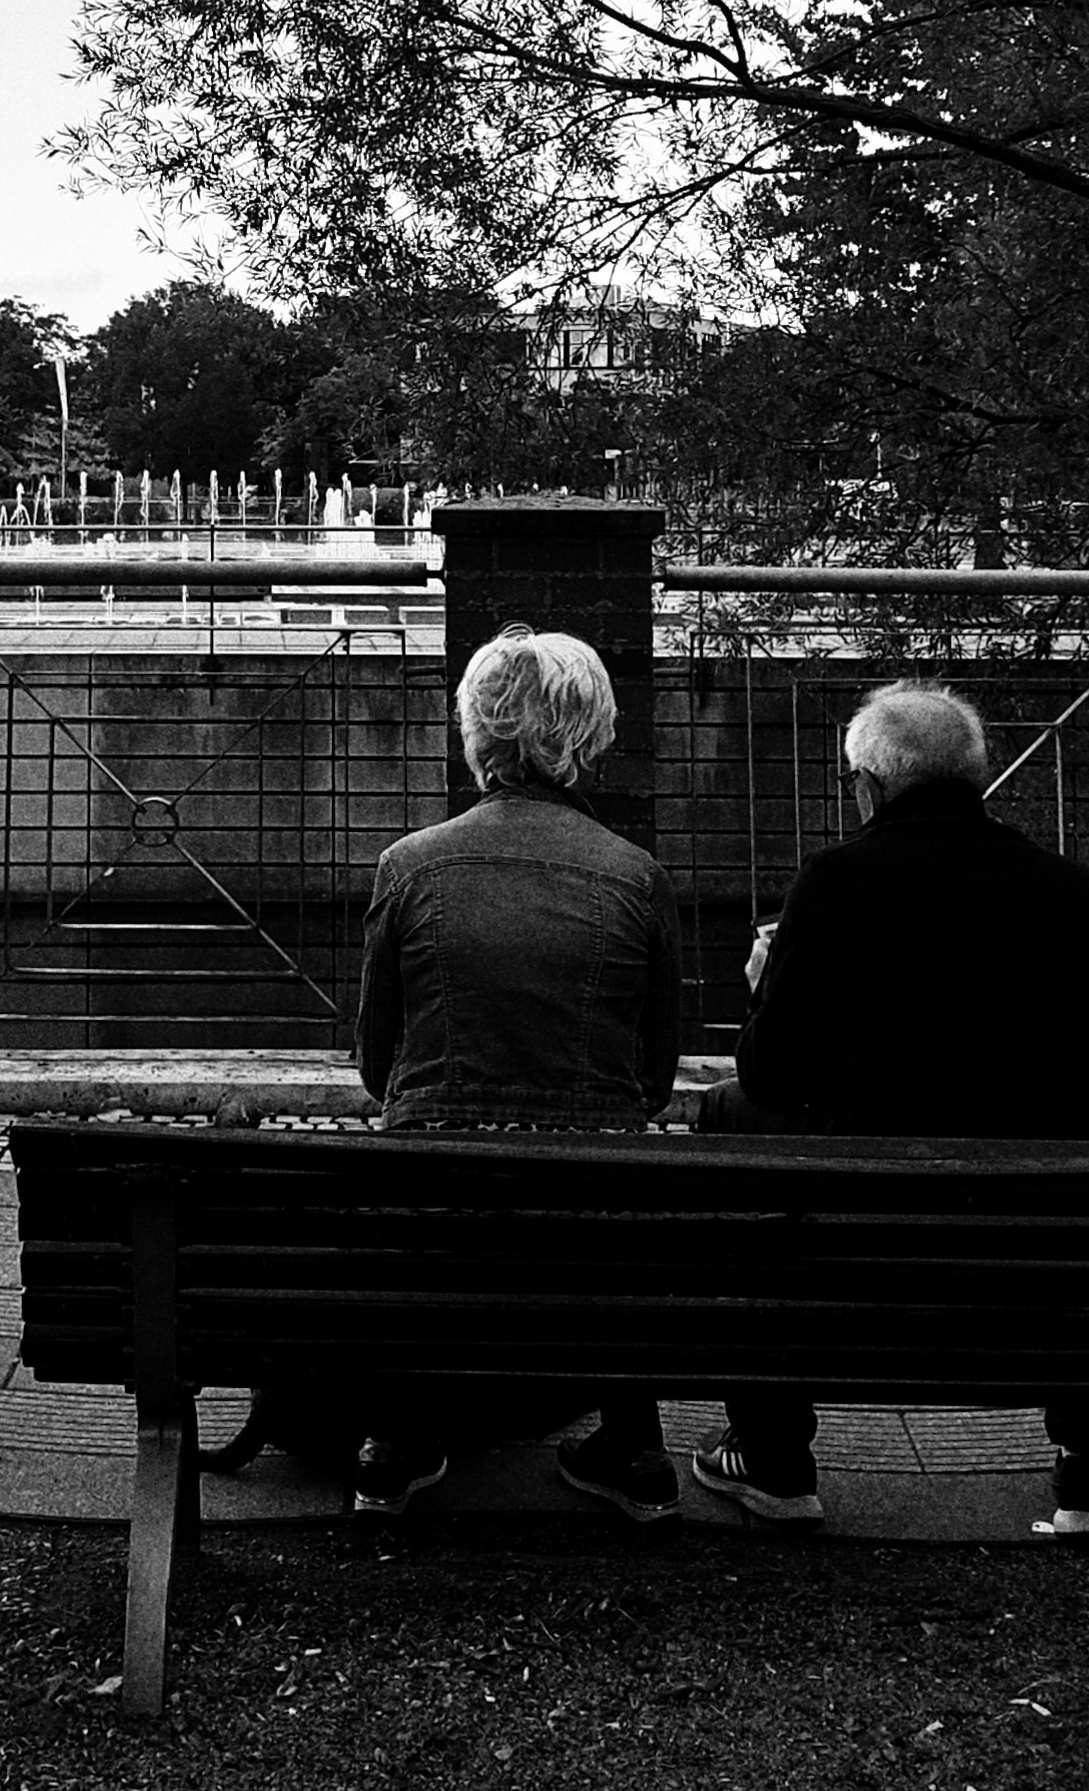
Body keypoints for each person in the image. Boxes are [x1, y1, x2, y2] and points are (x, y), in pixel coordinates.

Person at [691, 679, 1089, 1534]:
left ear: (870, 784)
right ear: (974, 779)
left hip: (864, 1238)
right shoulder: (1070, 891)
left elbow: (768, 1074)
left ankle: (771, 1452)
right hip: (1034, 1247)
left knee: (727, 1114)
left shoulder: (833, 885)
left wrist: (766, 989)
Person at [346, 624, 686, 1516]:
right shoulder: (637, 877)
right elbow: (653, 1078)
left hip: (437, 1225)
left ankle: (402, 1434)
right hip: (592, 1233)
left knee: (405, 1183)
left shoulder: (409, 868)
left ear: (478, 734)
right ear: (591, 737)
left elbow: (377, 1066)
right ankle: (635, 1449)